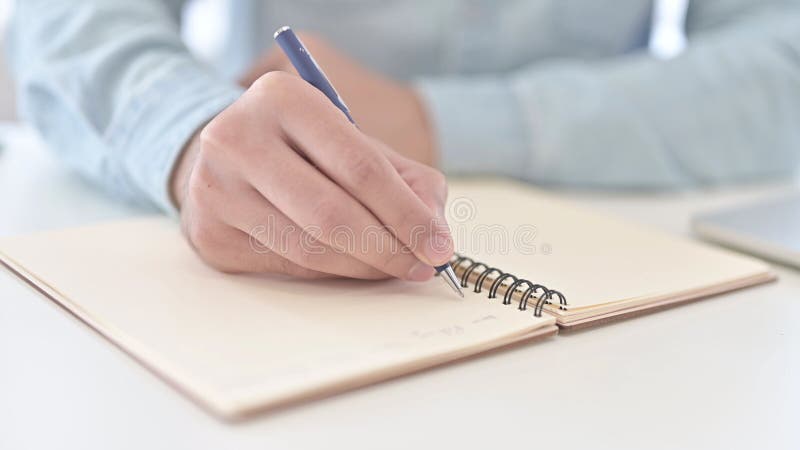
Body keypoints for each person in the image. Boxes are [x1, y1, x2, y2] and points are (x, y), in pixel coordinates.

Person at [7, 0, 800, 282]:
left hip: (626, 234)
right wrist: (188, 136)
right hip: (265, 215)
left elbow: (782, 62)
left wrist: (433, 121)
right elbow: (64, 17)